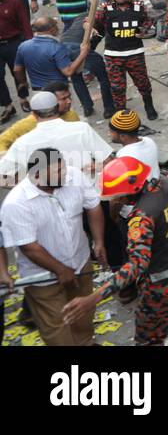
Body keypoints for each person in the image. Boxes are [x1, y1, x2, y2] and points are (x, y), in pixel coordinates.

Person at [62, 155, 168, 346]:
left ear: (124, 194)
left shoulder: (140, 219)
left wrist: (94, 297)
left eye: (115, 194)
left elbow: (136, 265)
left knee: (149, 339)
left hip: (161, 289)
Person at [0, 147, 104, 346]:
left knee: (83, 314)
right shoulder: (16, 204)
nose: (64, 174)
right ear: (37, 174)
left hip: (81, 264)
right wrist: (61, 270)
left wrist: (98, 242)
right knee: (57, 326)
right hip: (43, 279)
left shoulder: (73, 176)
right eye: (58, 172)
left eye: (63, 168)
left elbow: (93, 205)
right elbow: (29, 247)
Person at [0, 90, 110, 181]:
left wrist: (34, 184)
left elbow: (3, 178)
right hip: (90, 195)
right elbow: (108, 161)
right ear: (57, 107)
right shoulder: (82, 128)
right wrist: (89, 169)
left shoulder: (22, 143)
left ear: (33, 114)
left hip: (50, 202)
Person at [92, 0, 158, 120]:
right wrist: (90, 28)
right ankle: (121, 113)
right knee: (117, 87)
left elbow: (150, 18)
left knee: (143, 83)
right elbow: (91, 22)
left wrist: (144, 30)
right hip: (113, 55)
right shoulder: (104, 9)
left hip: (135, 53)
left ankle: (149, 105)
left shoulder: (139, 7)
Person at [0, 82, 80, 158]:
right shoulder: (28, 123)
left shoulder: (72, 115)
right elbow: (2, 141)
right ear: (50, 101)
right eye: (64, 99)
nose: (69, 101)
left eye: (69, 97)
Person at [14, 19, 90, 100]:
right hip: (59, 94)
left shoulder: (23, 46)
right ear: (52, 29)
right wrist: (83, 54)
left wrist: (23, 82)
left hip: (38, 93)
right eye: (56, 26)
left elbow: (17, 70)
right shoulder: (56, 47)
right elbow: (68, 71)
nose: (58, 28)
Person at [0, 0, 31, 121]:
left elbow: (25, 24)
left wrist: (30, 45)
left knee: (18, 73)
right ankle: (7, 105)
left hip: (14, 43)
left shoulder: (14, 2)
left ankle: (23, 99)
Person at [108, 108, 159, 180]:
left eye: (111, 131)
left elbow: (115, 176)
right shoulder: (149, 141)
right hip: (156, 181)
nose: (109, 134)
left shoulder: (124, 156)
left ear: (123, 136)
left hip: (144, 190)